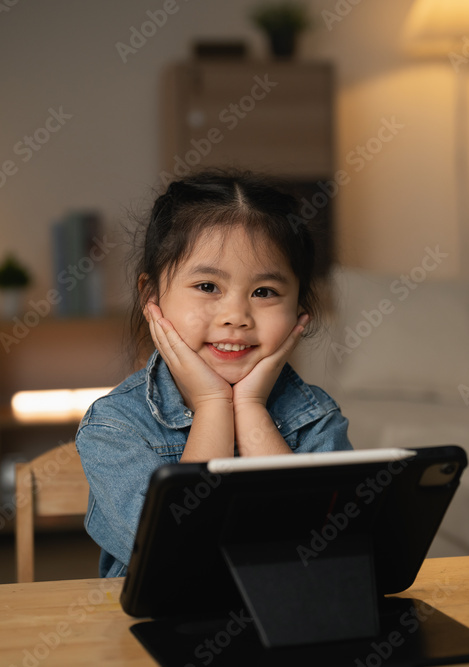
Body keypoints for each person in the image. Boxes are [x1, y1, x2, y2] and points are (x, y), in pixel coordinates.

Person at [76, 169, 353, 578]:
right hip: (156, 634)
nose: (235, 317)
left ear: (299, 308)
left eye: (265, 292)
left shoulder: (317, 418)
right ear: (151, 296)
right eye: (207, 286)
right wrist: (211, 405)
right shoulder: (115, 428)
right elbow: (178, 557)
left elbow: (327, 559)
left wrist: (252, 407)